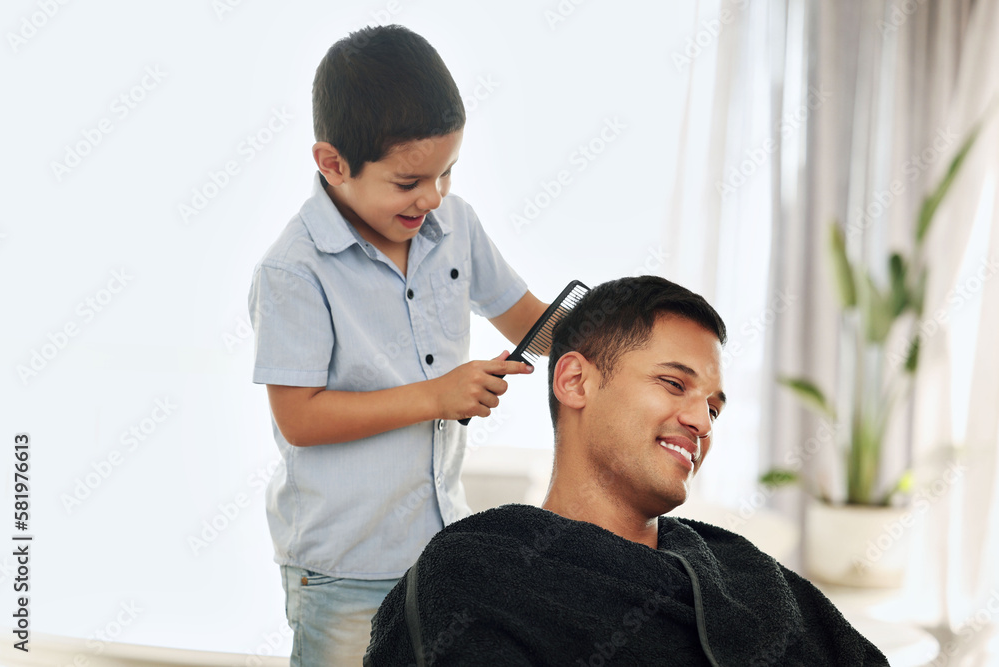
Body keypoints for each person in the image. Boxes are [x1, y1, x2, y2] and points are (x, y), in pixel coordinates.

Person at [364, 276, 889, 666]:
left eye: (714, 408)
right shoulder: (478, 573)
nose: (700, 421)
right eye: (673, 383)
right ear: (574, 382)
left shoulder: (746, 575)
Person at [247, 25, 546, 666]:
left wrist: (608, 332)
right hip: (342, 569)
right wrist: (437, 396)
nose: (433, 196)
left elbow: (529, 321)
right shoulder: (293, 270)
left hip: (438, 548)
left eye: (447, 172)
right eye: (409, 182)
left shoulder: (453, 224)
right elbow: (299, 418)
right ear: (332, 163)